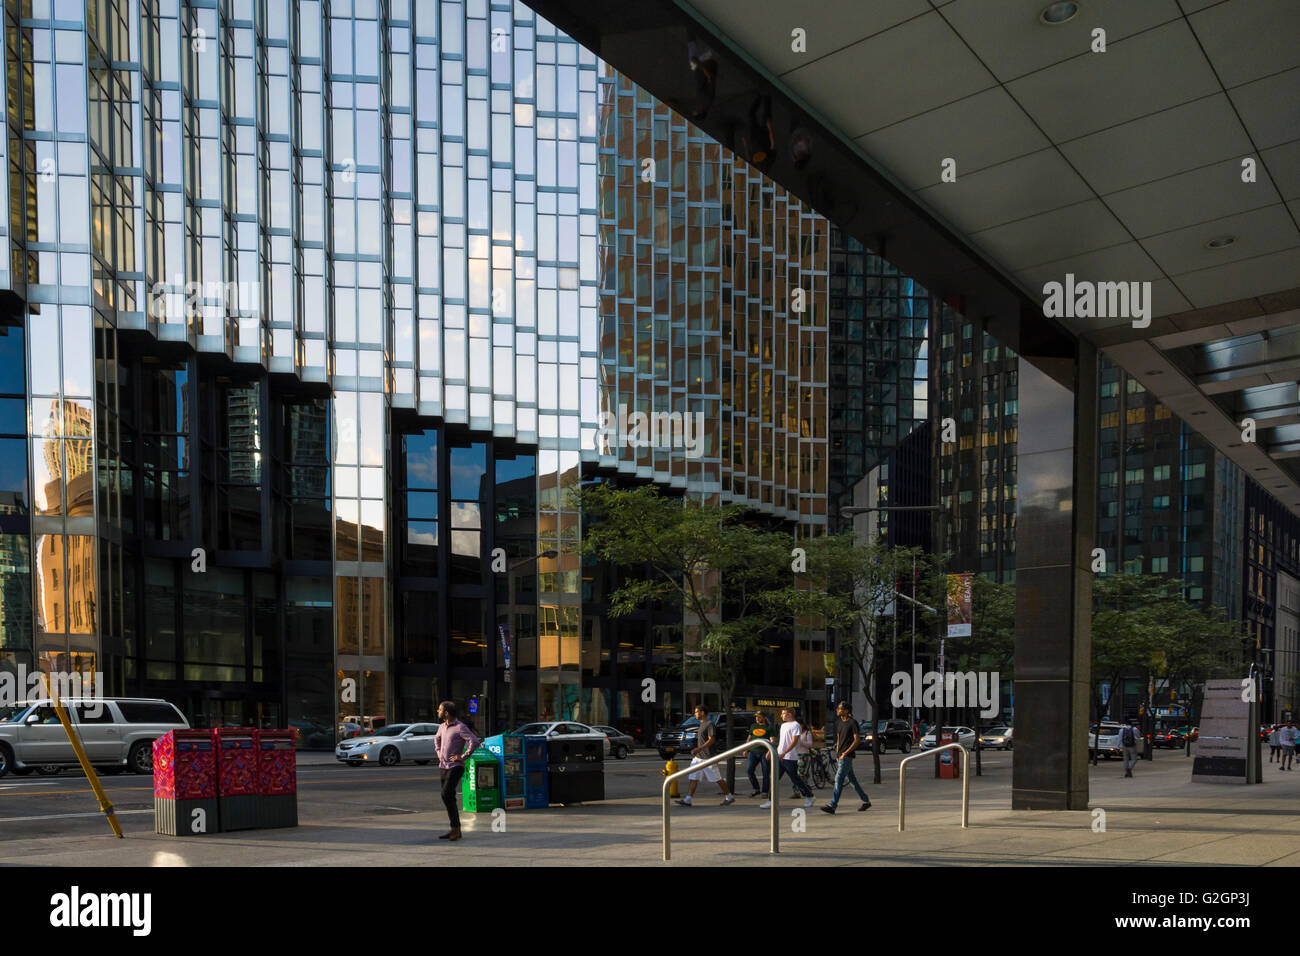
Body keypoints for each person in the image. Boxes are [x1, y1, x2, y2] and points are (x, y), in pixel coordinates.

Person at [433, 700, 481, 841]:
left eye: (439, 709)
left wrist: (463, 756)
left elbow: (474, 741)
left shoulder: (460, 727)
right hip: (443, 766)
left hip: (456, 766)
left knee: (446, 794)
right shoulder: (442, 726)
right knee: (448, 798)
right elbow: (436, 740)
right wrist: (438, 753)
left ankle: (456, 828)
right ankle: (455, 829)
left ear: (446, 713)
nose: (438, 711)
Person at [677, 706, 735, 806]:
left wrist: (699, 748)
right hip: (698, 757)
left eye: (696, 712)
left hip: (708, 757)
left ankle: (729, 797)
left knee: (717, 779)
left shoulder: (709, 724)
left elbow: (711, 739)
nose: (695, 714)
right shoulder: (701, 724)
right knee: (693, 777)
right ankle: (687, 799)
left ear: (702, 712)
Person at [821, 701, 871, 815]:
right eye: (838, 708)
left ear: (847, 711)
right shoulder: (838, 723)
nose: (838, 710)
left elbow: (857, 740)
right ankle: (866, 801)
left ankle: (833, 805)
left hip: (847, 756)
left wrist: (845, 753)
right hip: (841, 756)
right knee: (852, 781)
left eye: (840, 708)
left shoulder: (852, 723)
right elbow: (839, 739)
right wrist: (838, 753)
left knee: (838, 780)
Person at [762, 707, 813, 809]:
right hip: (780, 756)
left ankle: (809, 796)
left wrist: (784, 752)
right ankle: (771, 801)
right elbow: (782, 742)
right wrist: (772, 751)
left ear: (789, 714)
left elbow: (794, 742)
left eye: (783, 713)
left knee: (795, 779)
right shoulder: (783, 725)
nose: (781, 715)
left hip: (790, 757)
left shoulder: (796, 725)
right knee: (775, 779)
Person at [745, 711, 774, 798]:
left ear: (764, 718)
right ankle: (756, 789)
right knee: (749, 770)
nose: (757, 718)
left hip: (764, 752)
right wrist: (745, 749)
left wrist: (769, 751)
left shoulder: (769, 727)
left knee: (765, 773)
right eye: (756, 717)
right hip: (753, 752)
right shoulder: (753, 726)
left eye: (759, 717)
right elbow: (749, 738)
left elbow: (772, 740)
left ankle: (765, 792)